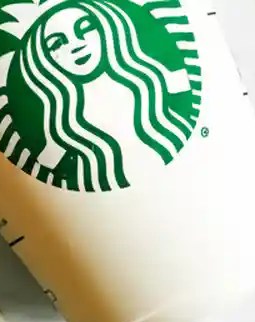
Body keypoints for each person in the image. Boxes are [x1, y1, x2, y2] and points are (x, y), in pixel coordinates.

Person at [19, 0, 196, 190]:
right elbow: (47, 163)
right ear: (44, 61)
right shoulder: (61, 133)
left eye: (86, 27)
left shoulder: (164, 80)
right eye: (57, 43)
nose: (77, 44)